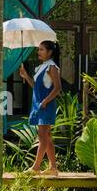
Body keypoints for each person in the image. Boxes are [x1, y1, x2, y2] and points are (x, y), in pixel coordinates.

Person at [18, 39, 62, 174]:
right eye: (39, 49)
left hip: (45, 105)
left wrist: (46, 102)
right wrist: (26, 75)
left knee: (42, 136)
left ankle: (36, 168)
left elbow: (58, 88)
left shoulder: (51, 67)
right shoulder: (42, 67)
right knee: (47, 136)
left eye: (42, 49)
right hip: (39, 105)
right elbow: (35, 86)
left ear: (50, 52)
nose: (39, 52)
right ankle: (53, 168)